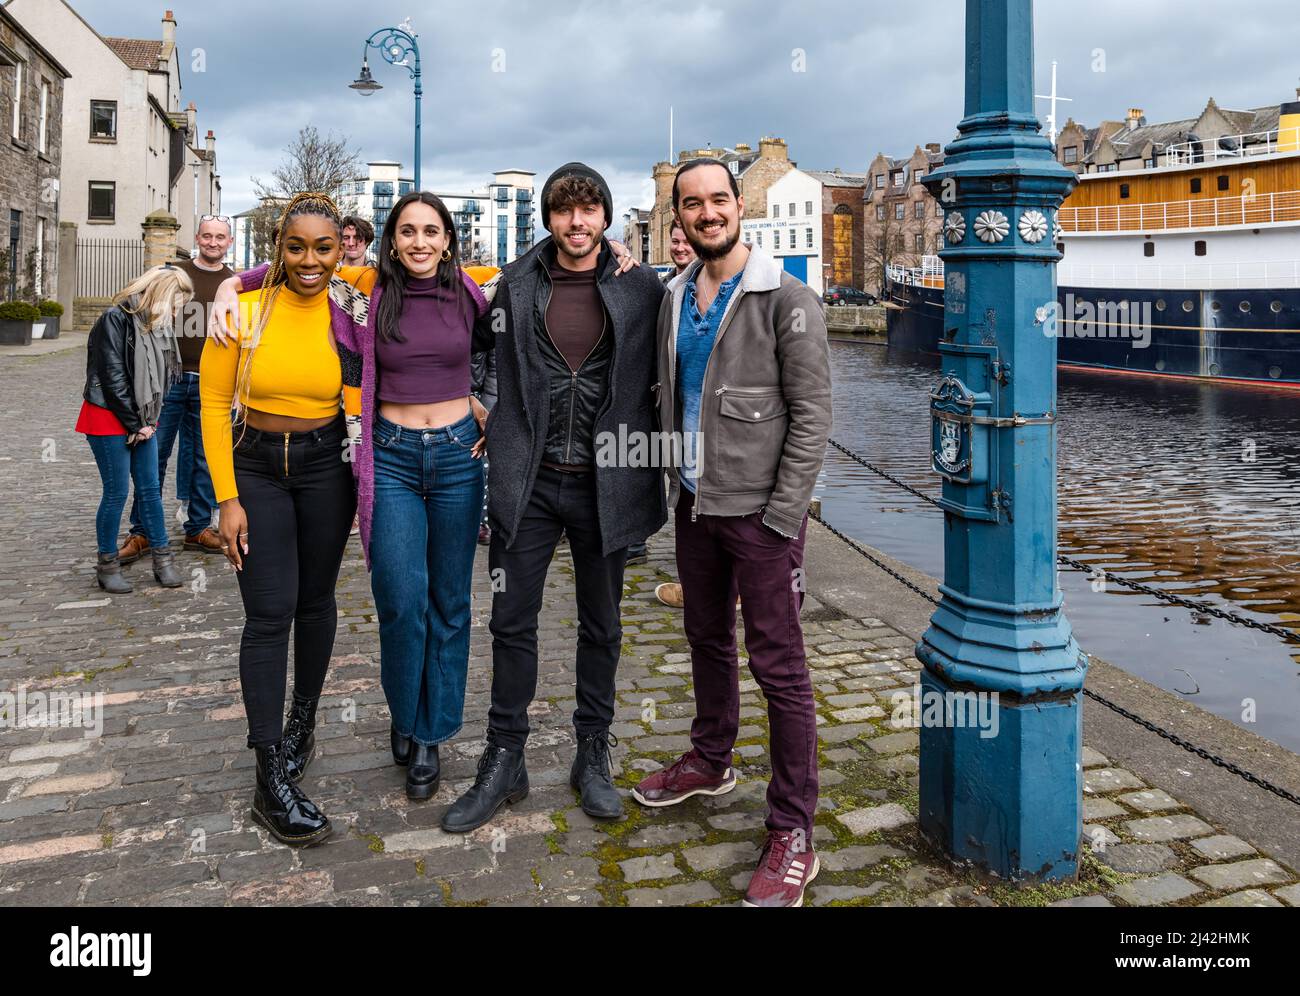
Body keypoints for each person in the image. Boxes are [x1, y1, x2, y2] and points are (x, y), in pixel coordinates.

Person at [440, 162, 667, 832]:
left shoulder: (641, 287)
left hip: (609, 482)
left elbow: (678, 349)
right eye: (565, 210)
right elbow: (476, 348)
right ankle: (505, 757)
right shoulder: (515, 283)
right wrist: (487, 408)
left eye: (589, 209)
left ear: (604, 216)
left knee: (603, 625)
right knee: (511, 622)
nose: (577, 222)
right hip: (529, 479)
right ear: (549, 219)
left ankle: (591, 753)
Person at [631, 158, 833, 908]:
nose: (707, 213)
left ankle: (793, 831)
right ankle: (711, 758)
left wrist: (784, 516)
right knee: (705, 636)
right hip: (694, 503)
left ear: (738, 205)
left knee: (779, 666)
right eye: (692, 203)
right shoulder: (675, 295)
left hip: (760, 518)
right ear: (677, 216)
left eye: (719, 199)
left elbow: (812, 417)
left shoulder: (787, 298)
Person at [200, 192, 360, 847]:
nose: (310, 260)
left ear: (341, 247)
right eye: (296, 247)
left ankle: (304, 723)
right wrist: (227, 497)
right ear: (279, 247)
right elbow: (212, 402)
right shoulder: (245, 307)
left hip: (328, 466)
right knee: (270, 613)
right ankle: (269, 775)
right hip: (257, 467)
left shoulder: (353, 307)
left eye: (323, 247)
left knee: (316, 601)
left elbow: (456, 278)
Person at [119, 216, 232, 564]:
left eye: (220, 238)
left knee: (206, 458)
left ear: (229, 242)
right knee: (153, 456)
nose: (213, 243)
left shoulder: (235, 284)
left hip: (212, 381)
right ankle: (142, 532)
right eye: (207, 236)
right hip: (169, 380)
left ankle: (198, 528)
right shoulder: (174, 275)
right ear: (196, 237)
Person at [77, 265, 192, 594]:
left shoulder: (156, 326)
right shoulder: (115, 318)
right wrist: (137, 424)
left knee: (150, 489)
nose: (175, 311)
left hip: (143, 418)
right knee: (117, 493)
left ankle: (163, 559)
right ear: (161, 294)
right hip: (107, 414)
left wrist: (148, 420)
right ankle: (107, 564)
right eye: (174, 303)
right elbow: (112, 377)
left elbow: (161, 376)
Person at [632, 219, 700, 575]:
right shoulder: (668, 288)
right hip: (670, 408)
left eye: (685, 241)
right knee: (678, 486)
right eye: (674, 241)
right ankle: (695, 583)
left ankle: (721, 588)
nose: (679, 247)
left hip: (703, 411)